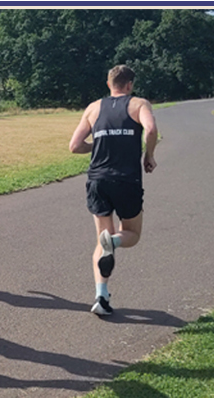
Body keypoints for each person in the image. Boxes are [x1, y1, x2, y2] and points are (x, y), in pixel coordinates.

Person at [68, 64, 158, 316]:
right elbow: (150, 130)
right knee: (131, 233)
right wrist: (148, 155)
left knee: (101, 239)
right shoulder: (139, 104)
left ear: (109, 84)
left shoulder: (94, 108)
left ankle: (101, 296)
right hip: (126, 179)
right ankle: (115, 242)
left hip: (97, 179)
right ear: (129, 85)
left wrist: (96, 144)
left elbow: (74, 146)